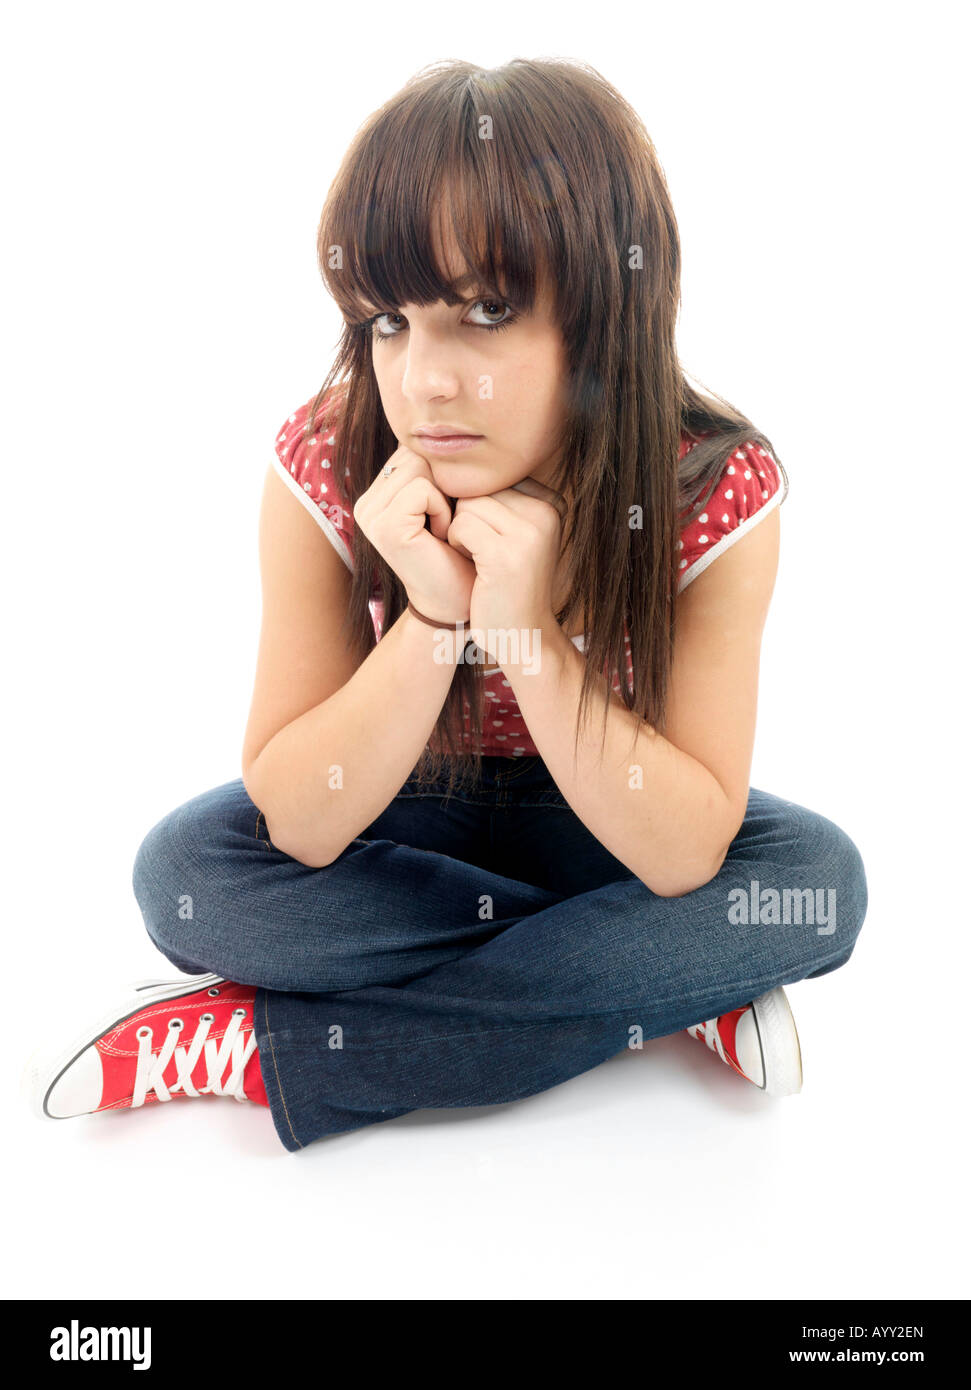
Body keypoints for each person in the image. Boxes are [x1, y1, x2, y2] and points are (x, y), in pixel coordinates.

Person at [24, 58, 868, 1153]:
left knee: (812, 891)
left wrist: (525, 637)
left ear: (608, 313)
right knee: (187, 877)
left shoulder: (707, 489)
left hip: (605, 818)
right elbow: (301, 815)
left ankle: (263, 1047)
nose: (423, 380)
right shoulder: (327, 461)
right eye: (387, 321)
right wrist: (432, 621)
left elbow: (682, 852)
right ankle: (658, 985)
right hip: (404, 814)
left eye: (484, 311)